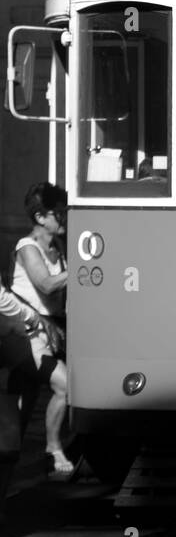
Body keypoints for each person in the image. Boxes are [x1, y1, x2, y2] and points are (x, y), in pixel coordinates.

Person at [6, 182, 72, 477]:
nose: (64, 218)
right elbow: (45, 284)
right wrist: (85, 266)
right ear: (40, 217)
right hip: (29, 332)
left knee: (22, 406)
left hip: (53, 329)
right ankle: (53, 448)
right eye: (59, 213)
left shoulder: (57, 247)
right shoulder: (27, 247)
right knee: (65, 385)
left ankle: (10, 465)